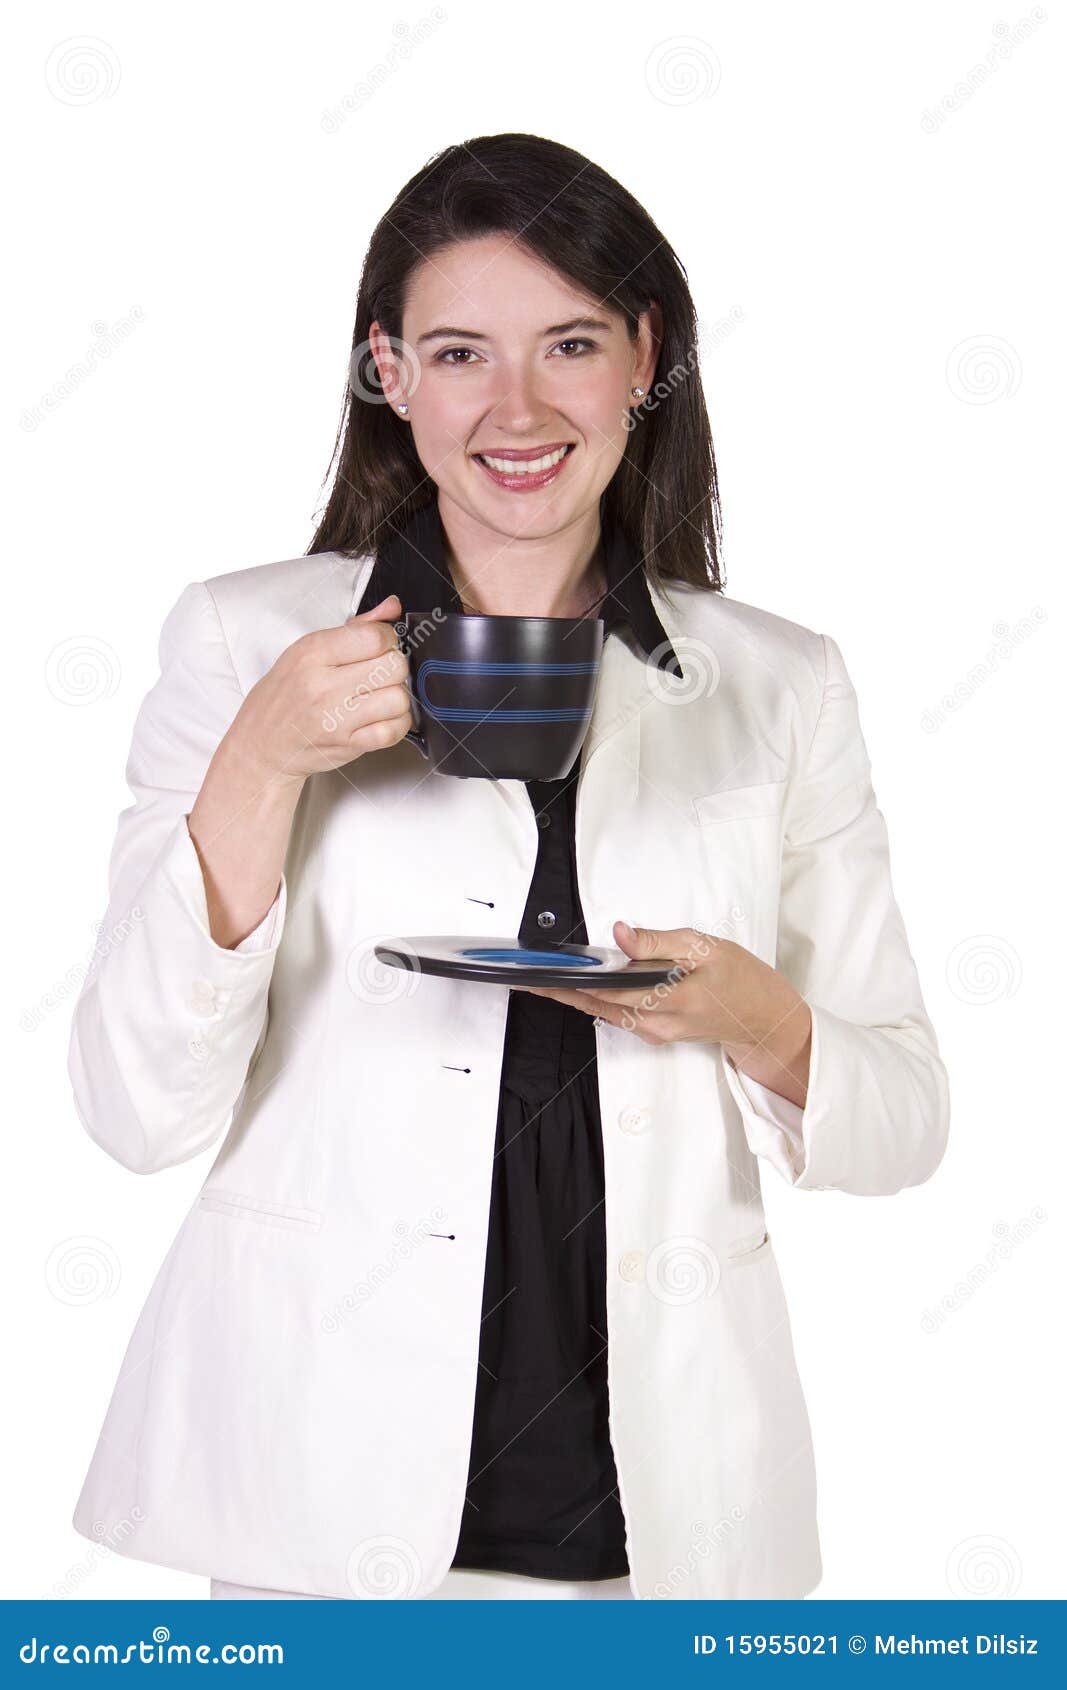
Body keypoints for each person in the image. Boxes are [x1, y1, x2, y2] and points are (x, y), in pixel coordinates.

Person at [68, 133, 950, 1602]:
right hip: (318, 1511)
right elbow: (131, 1108)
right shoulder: (243, 643)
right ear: (388, 372)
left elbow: (907, 1115)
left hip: (667, 1530)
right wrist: (262, 759)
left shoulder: (781, 682)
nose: (518, 406)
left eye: (573, 345)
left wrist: (750, 1014)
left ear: (643, 360)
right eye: (460, 352)